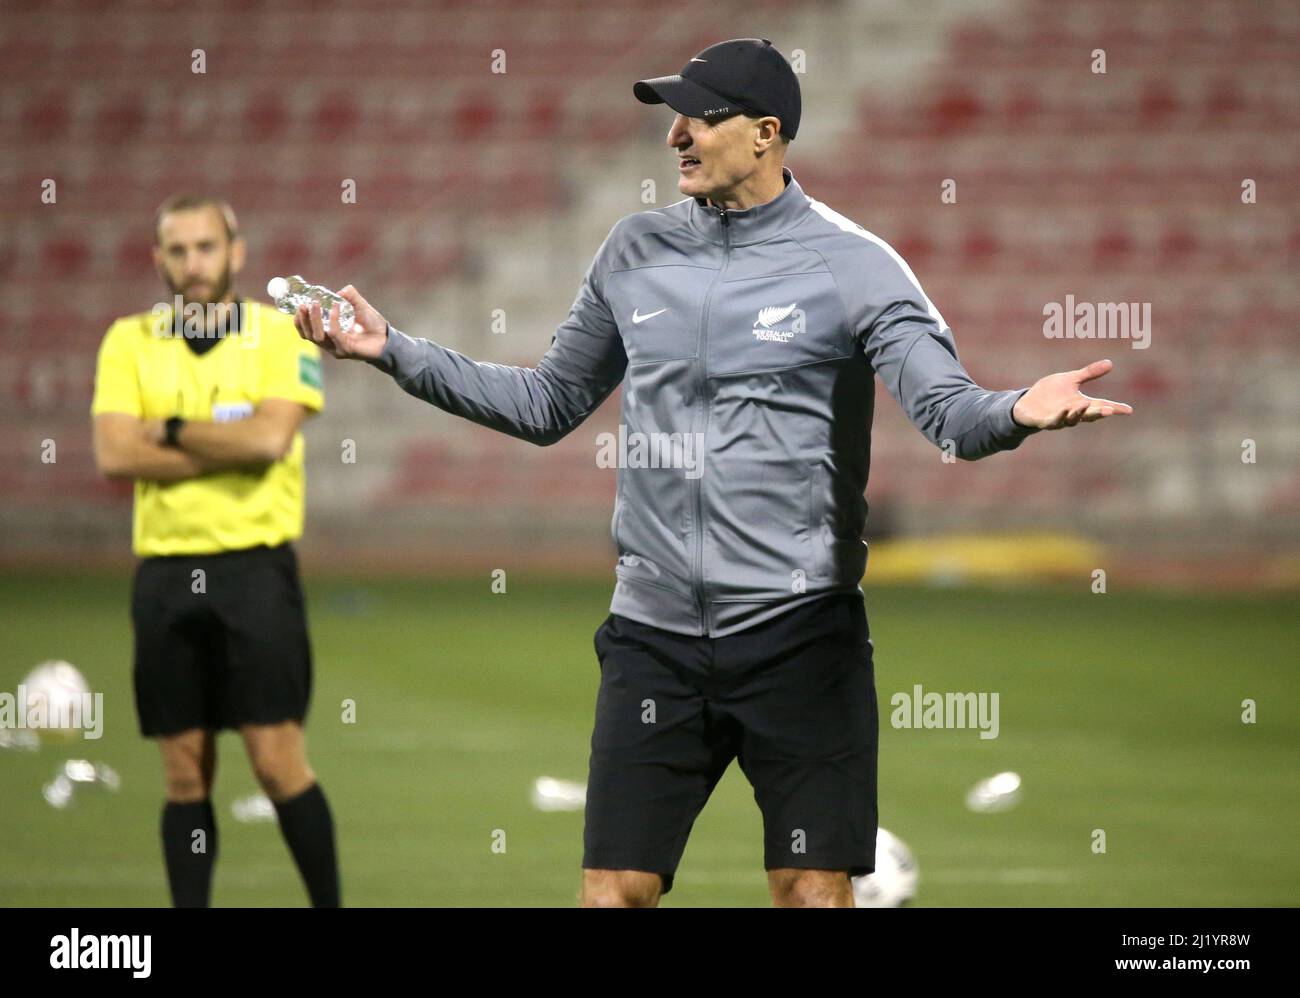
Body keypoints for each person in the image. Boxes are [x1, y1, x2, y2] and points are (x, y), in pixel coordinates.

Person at [294, 38, 1131, 907]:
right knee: (613, 892)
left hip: (799, 637)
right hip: (653, 638)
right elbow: (547, 403)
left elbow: (947, 410)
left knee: (810, 890)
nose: (676, 136)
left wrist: (1016, 410)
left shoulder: (855, 266)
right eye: (672, 117)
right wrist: (396, 352)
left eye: (700, 117)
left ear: (767, 134)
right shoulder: (633, 251)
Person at [91, 194, 340, 907]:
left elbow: (268, 442)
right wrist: (216, 443)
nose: (193, 263)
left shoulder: (280, 333)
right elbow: (113, 453)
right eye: (178, 250)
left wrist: (164, 429)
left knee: (277, 763)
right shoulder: (128, 339)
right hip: (165, 572)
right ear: (158, 259)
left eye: (206, 247)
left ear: (237, 254)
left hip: (255, 571)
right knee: (182, 775)